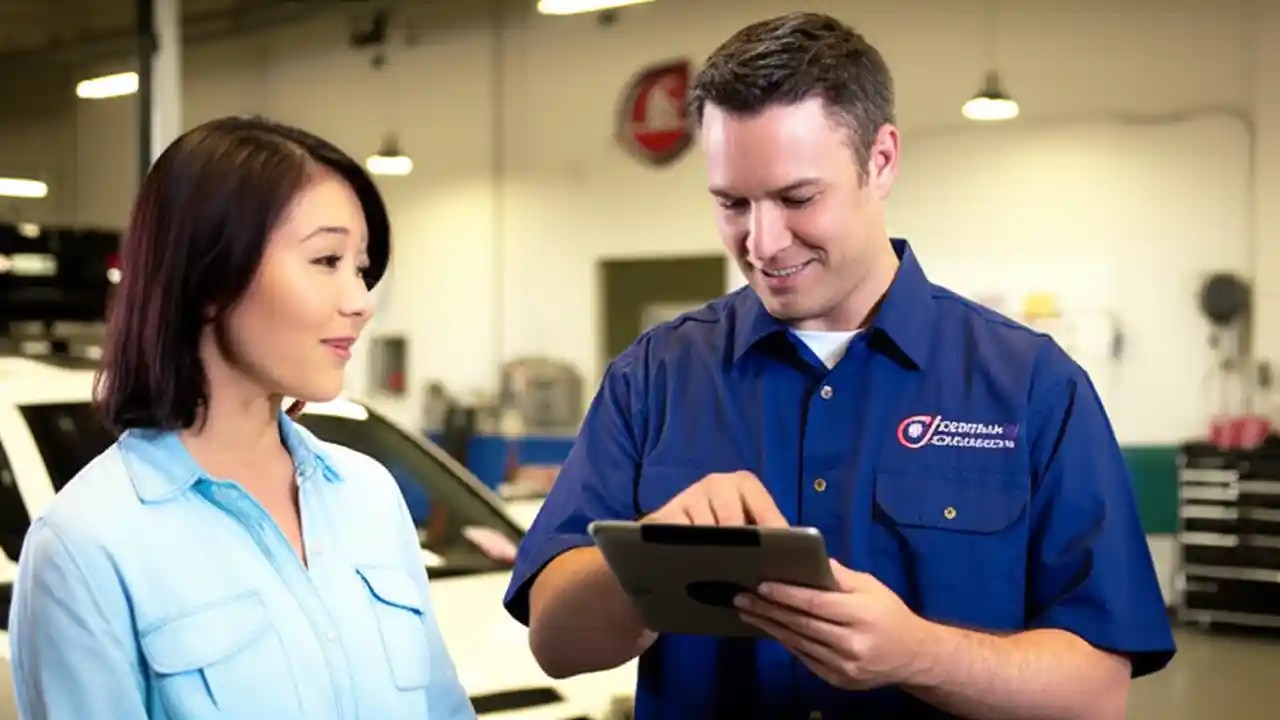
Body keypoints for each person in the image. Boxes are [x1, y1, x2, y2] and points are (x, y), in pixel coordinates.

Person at [503, 12, 1175, 719]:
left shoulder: (1033, 387)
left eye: (797, 198)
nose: (761, 242)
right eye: (732, 203)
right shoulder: (654, 379)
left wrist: (918, 652)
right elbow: (556, 642)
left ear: (880, 160)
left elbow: (1097, 693)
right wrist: (650, 560)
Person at [8, 116, 475, 719]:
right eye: (327, 259)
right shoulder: (87, 546)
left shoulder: (369, 498)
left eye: (361, 268)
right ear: (209, 276)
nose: (360, 302)